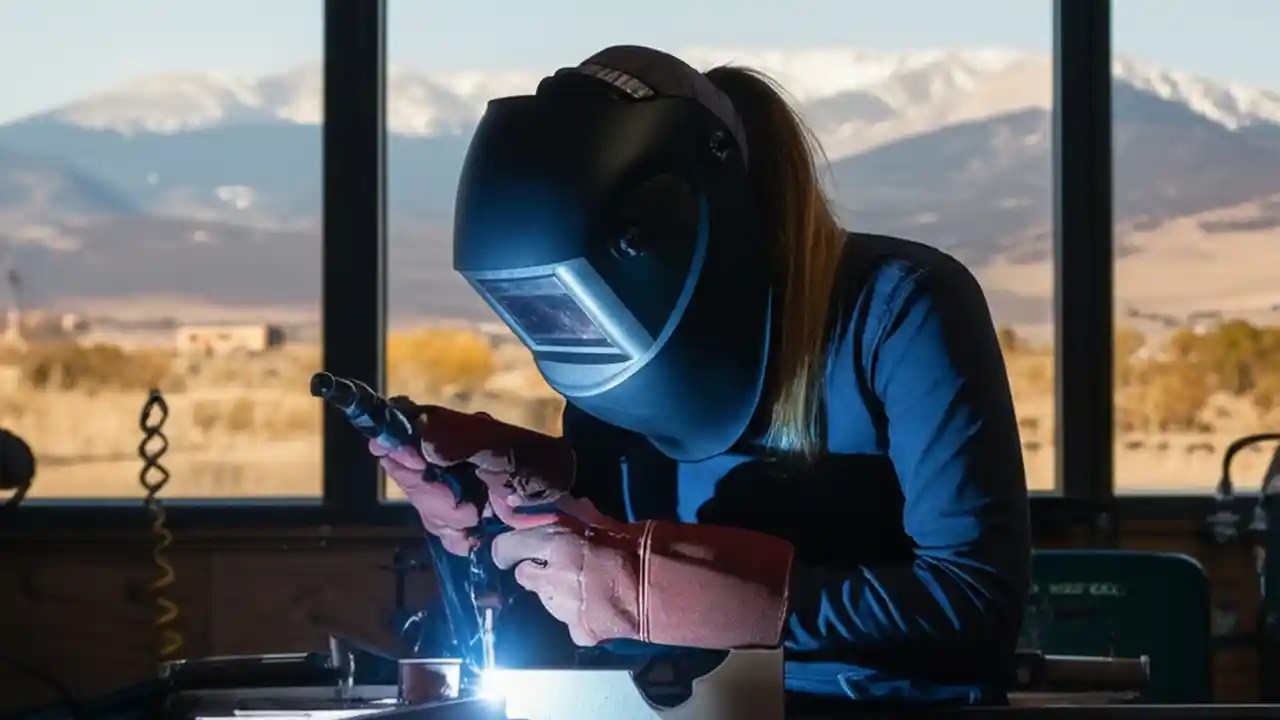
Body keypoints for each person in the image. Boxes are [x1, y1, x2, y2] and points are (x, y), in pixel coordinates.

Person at [370, 45, 1031, 707]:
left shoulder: (899, 308)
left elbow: (976, 607)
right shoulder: (619, 347)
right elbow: (608, 632)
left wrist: (709, 593)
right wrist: (498, 525)